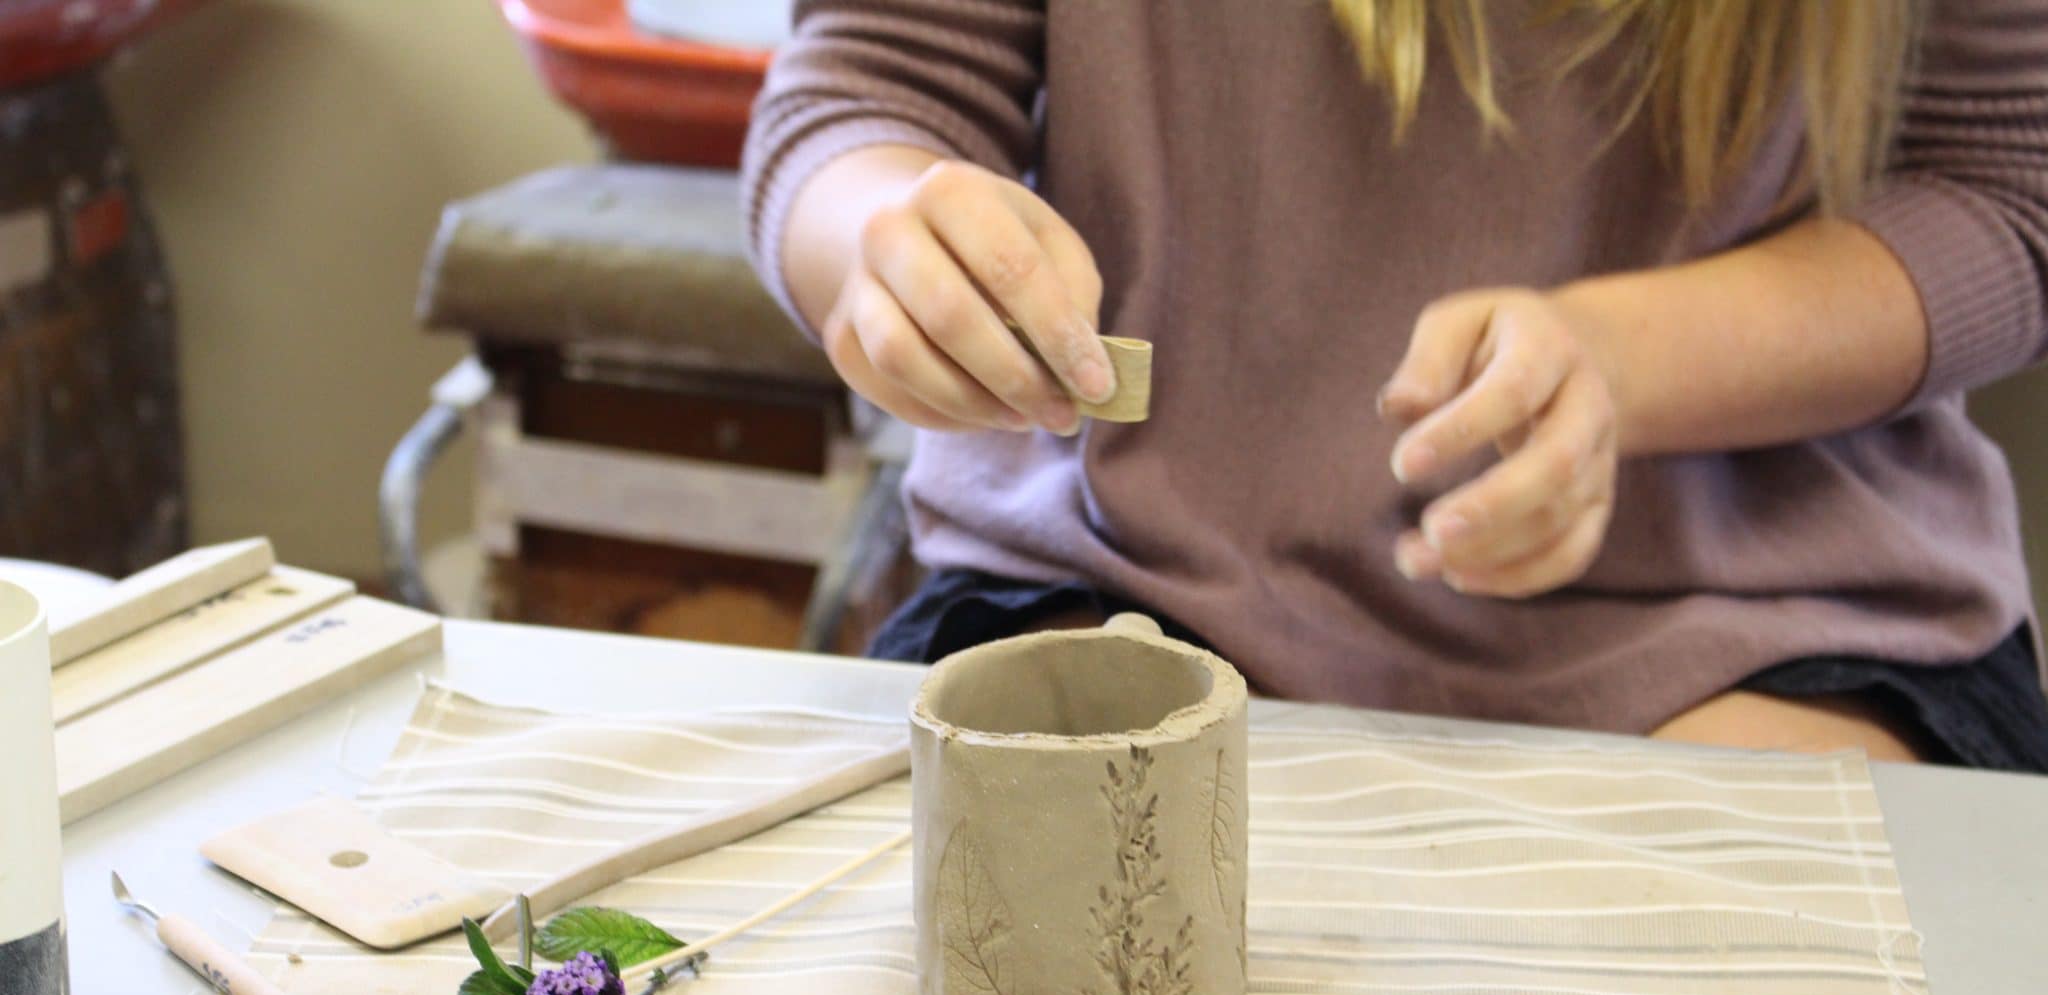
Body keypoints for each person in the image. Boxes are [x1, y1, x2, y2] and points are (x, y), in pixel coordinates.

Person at [740, 1, 2048, 772]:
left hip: (1774, 613)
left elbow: (2007, 193)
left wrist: (1625, 361)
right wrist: (885, 247)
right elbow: (868, 92)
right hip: (1122, 576)